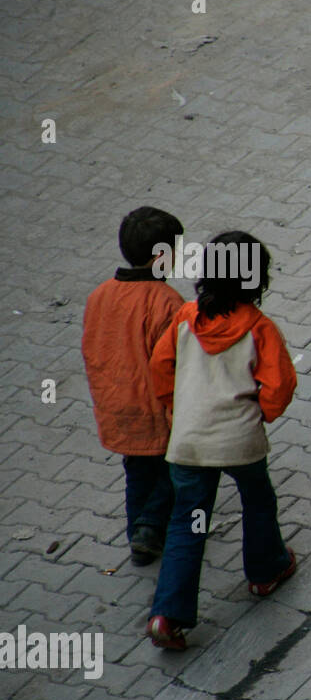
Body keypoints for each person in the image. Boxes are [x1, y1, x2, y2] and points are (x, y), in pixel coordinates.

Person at [146, 231, 298, 650]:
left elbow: (160, 369)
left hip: (190, 444)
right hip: (240, 442)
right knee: (258, 499)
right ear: (256, 280)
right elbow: (279, 386)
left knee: (187, 522)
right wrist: (260, 415)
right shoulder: (260, 329)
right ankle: (267, 571)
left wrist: (175, 411)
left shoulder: (184, 319)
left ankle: (167, 615)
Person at [82, 206, 186, 565]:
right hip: (154, 408)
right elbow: (173, 362)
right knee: (174, 467)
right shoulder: (166, 302)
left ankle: (138, 538)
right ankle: (151, 526)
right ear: (160, 256)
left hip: (116, 405)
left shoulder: (99, 295)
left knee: (137, 471)